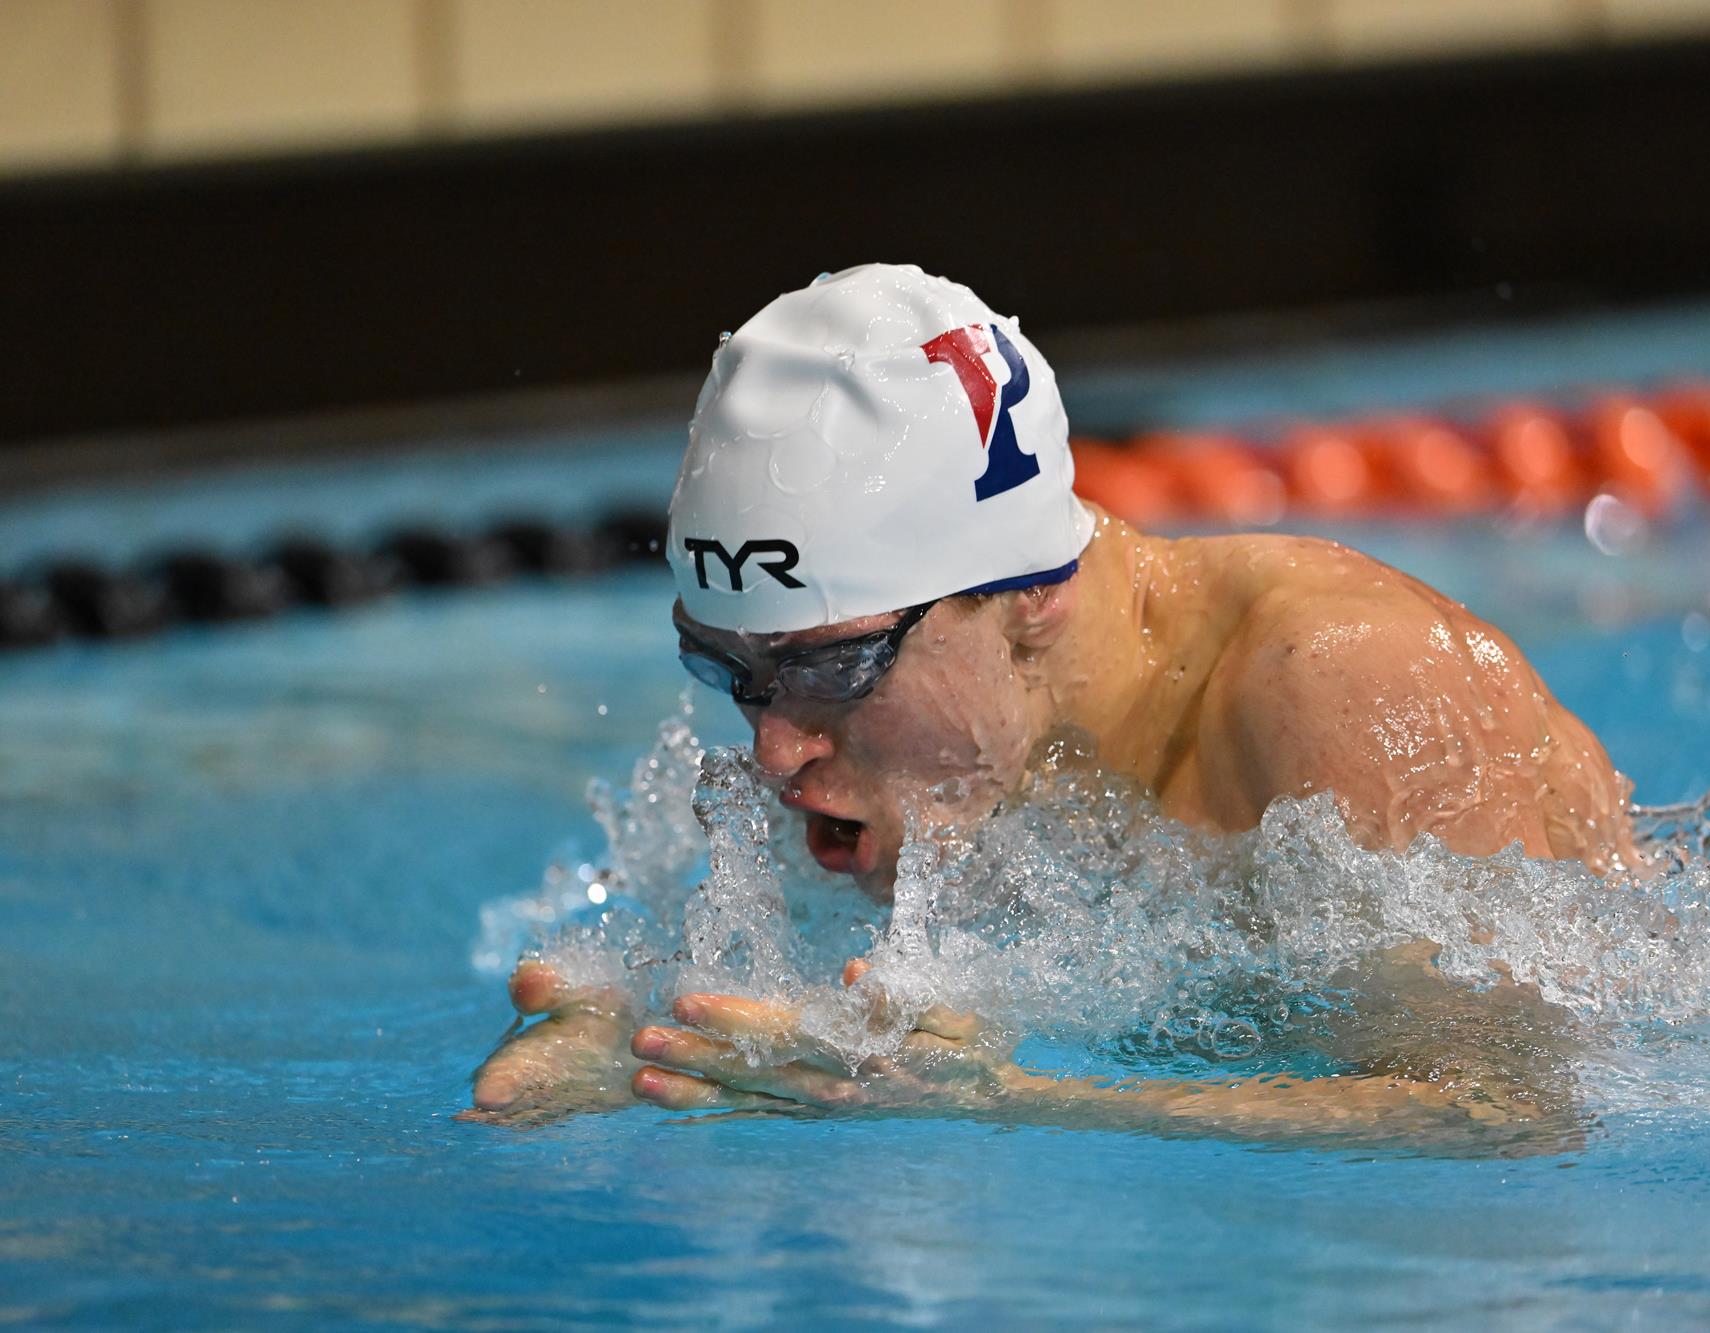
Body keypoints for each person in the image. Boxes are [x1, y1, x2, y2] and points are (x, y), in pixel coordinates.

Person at [466, 264, 1637, 1139]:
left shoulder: (1341, 683)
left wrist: (1013, 1100)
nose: (775, 746)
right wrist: (640, 1039)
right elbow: (819, 1014)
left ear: (1029, 596)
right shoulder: (926, 756)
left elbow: (1508, 1111)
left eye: (830, 668)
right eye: (731, 669)